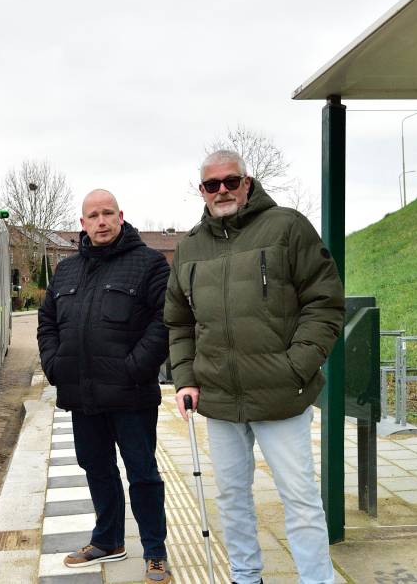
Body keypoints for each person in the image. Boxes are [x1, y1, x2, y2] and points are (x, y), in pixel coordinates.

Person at [164, 150, 345, 584]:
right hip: (220, 399)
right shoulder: (189, 246)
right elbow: (179, 320)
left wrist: (296, 365)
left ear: (247, 182)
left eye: (231, 181)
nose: (222, 190)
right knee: (231, 497)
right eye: (212, 184)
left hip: (281, 394)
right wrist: (185, 378)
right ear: (201, 190)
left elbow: (324, 302)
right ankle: (246, 576)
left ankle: (317, 580)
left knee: (299, 498)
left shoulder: (286, 227)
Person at [37, 189, 173, 584]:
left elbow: (166, 321)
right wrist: (54, 363)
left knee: (143, 473)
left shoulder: (149, 264)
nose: (100, 221)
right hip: (83, 395)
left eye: (107, 213)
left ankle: (155, 551)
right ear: (82, 223)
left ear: (120, 216)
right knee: (96, 467)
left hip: (131, 395)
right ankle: (108, 540)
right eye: (92, 215)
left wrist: (135, 367)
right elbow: (47, 321)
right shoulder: (66, 270)